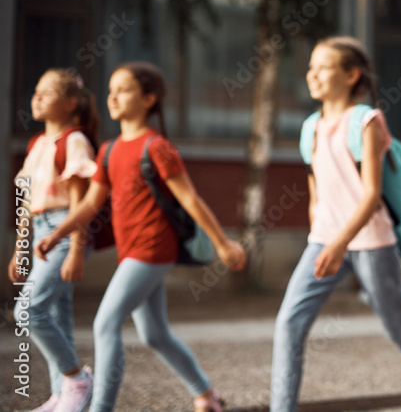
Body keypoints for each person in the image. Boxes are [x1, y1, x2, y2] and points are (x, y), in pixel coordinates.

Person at [35, 61, 246, 412]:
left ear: (149, 98)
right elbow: (89, 203)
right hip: (130, 250)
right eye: (111, 90)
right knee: (154, 334)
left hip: (152, 249)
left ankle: (101, 407)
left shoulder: (156, 147)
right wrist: (58, 233)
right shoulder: (110, 150)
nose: (113, 96)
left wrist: (223, 243)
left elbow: (190, 198)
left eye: (123, 89)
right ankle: (206, 395)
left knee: (105, 322)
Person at [270, 36, 401, 412]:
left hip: (371, 241)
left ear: (351, 75)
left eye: (323, 67)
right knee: (289, 322)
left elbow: (371, 195)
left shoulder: (366, 121)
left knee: (398, 326)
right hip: (324, 240)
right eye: (311, 68)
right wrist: (322, 237)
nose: (312, 75)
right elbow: (315, 191)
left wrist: (340, 244)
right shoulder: (311, 128)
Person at [10, 69, 100, 412]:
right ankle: (62, 397)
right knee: (57, 315)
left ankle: (77, 378)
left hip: (65, 230)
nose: (37, 98)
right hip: (40, 233)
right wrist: (20, 249)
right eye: (35, 91)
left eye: (46, 93)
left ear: (70, 103)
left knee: (28, 310)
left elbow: (80, 202)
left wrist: (77, 247)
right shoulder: (37, 144)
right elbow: (26, 204)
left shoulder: (74, 140)